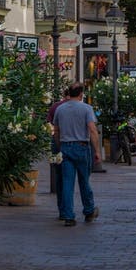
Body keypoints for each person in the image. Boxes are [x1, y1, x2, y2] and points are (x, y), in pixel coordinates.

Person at [53, 82, 101, 227]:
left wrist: (60, 146)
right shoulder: (86, 108)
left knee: (67, 183)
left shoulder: (60, 109)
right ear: (81, 94)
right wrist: (97, 150)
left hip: (65, 147)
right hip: (82, 147)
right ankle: (89, 210)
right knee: (84, 181)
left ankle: (68, 215)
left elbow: (56, 131)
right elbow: (92, 129)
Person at [47, 87, 70, 220]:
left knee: (59, 176)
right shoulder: (79, 107)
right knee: (70, 178)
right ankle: (68, 210)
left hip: (56, 142)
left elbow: (49, 124)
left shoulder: (55, 106)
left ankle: (62, 210)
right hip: (72, 142)